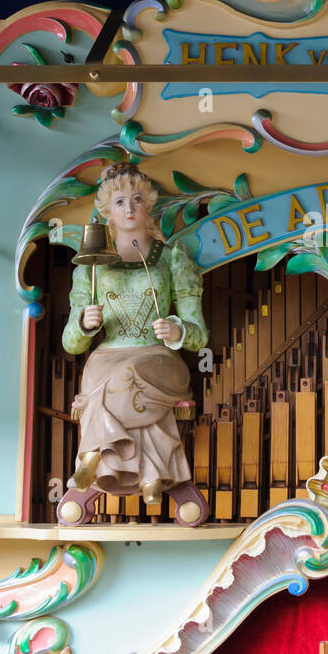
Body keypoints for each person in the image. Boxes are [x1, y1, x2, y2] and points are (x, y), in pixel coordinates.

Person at [56, 162, 211, 527]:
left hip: (159, 358)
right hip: (106, 356)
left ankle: (93, 457)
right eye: (120, 200)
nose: (129, 208)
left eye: (137, 199)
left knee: (126, 376)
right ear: (107, 210)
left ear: (148, 207)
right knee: (114, 376)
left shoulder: (173, 258)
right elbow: (71, 344)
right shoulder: (89, 268)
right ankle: (153, 474)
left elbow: (199, 333)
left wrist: (177, 330)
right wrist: (83, 323)